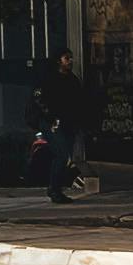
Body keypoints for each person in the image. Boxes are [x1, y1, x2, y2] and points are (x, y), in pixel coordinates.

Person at [33, 50, 92, 205]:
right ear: (59, 61)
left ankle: (56, 188)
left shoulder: (72, 80)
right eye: (67, 58)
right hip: (53, 123)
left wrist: (80, 123)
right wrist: (51, 118)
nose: (70, 61)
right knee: (61, 154)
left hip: (68, 124)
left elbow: (78, 102)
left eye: (71, 58)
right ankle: (54, 189)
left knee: (65, 156)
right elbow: (39, 99)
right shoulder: (49, 79)